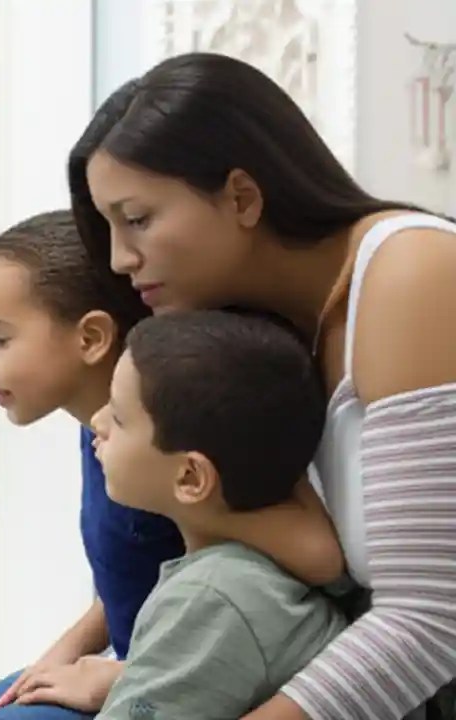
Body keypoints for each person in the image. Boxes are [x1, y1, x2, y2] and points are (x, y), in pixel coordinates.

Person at [70, 50, 456, 720]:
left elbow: (433, 619)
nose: (118, 258)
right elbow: (317, 555)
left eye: (136, 218)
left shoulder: (413, 274)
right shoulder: (262, 330)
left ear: (243, 197)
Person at [0, 211, 344, 720]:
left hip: (181, 667)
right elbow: (126, 582)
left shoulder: (166, 456)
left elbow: (317, 562)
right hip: (151, 653)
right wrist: (66, 652)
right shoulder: (105, 437)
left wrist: (123, 677)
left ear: (91, 338)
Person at [91, 309, 346, 719]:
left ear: (190, 477)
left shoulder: (210, 598)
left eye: (119, 417)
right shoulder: (244, 578)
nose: (97, 421)